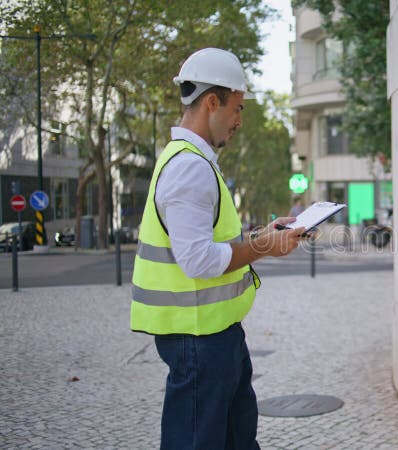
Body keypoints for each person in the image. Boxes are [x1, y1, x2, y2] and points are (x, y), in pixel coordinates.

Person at [130, 48, 306, 450]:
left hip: (214, 335)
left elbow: (207, 242)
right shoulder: (190, 167)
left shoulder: (193, 161)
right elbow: (199, 260)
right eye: (238, 108)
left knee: (236, 440)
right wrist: (265, 245)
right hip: (198, 341)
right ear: (212, 102)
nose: (240, 121)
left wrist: (264, 232)